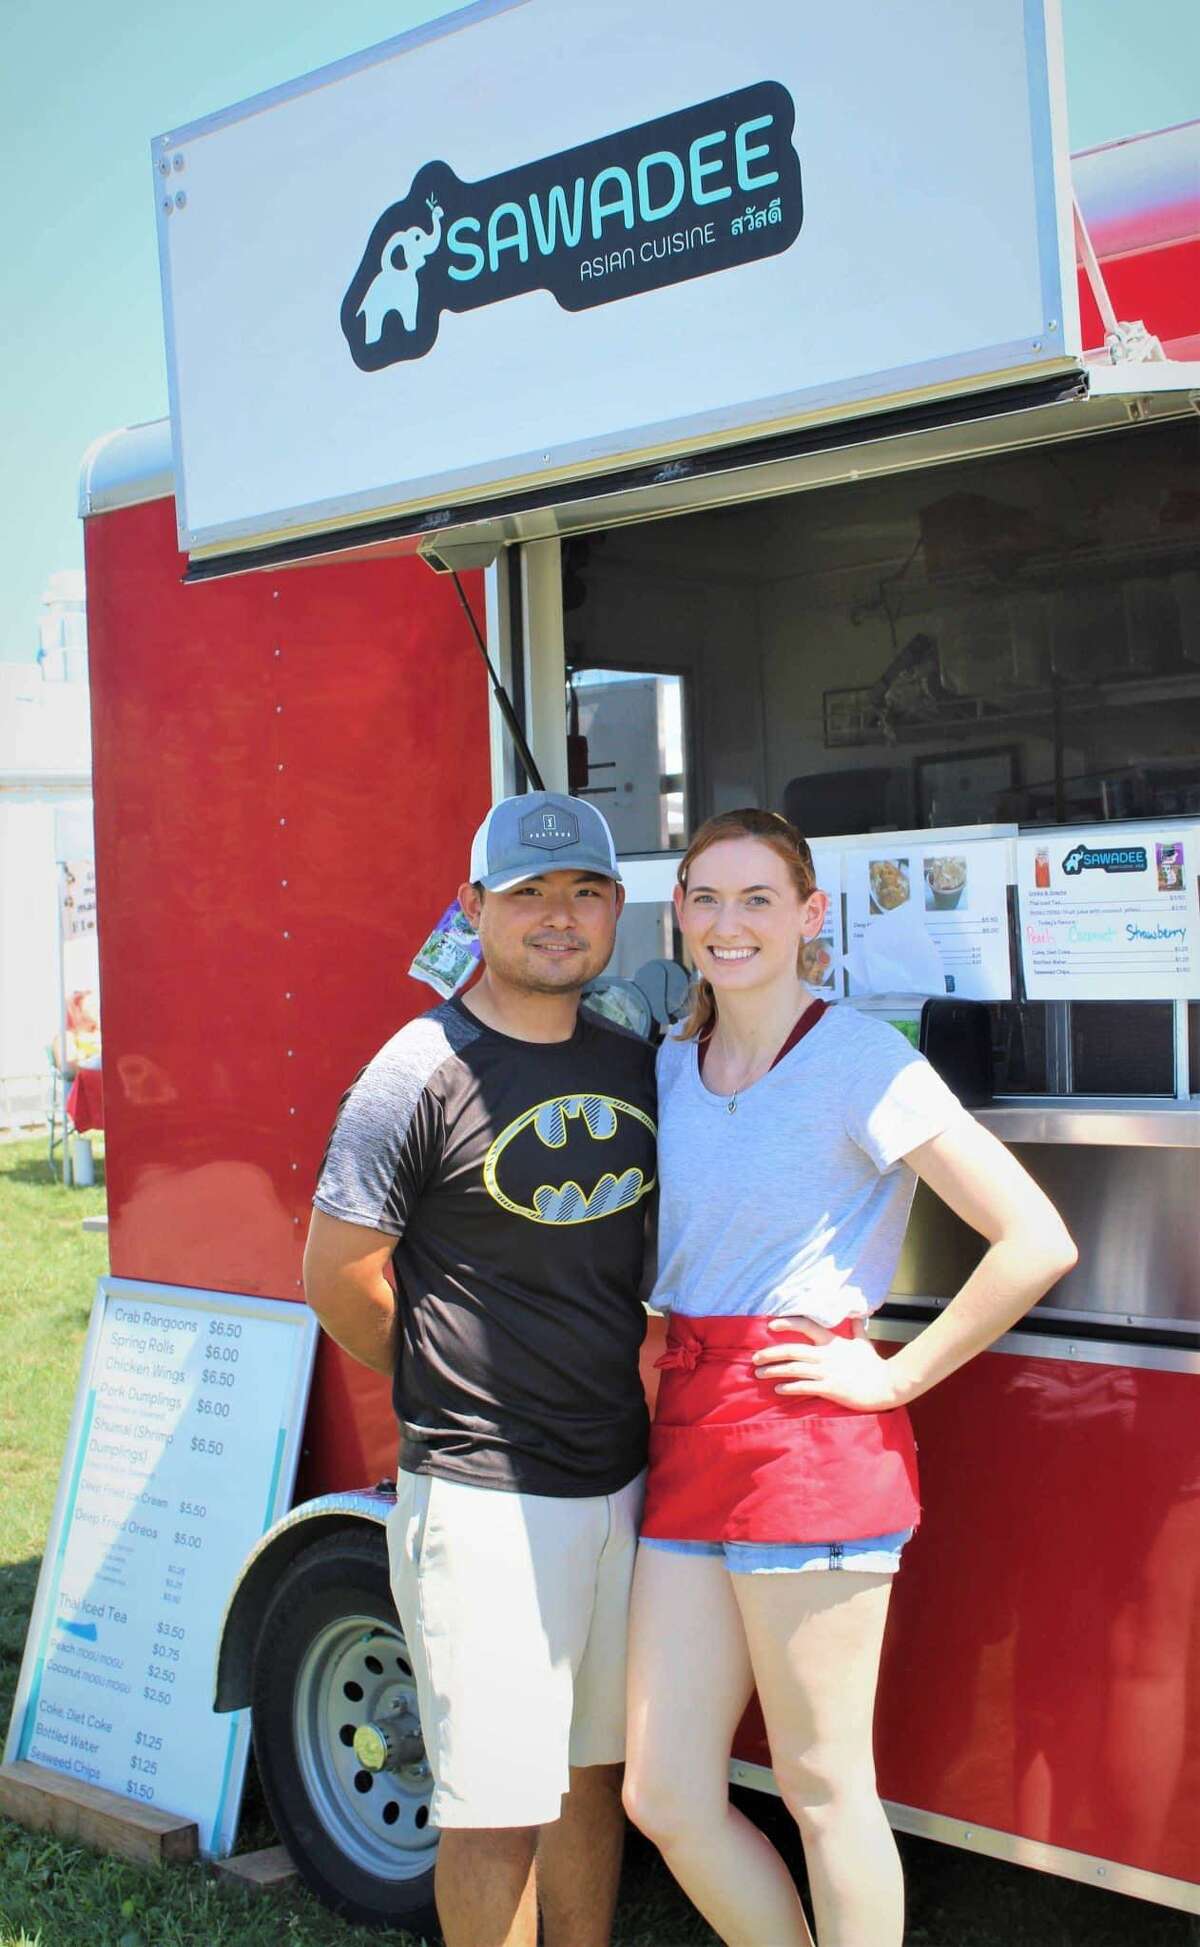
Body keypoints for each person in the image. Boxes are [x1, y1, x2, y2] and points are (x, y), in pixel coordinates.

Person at [622, 808, 1077, 1947]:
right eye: (706, 898)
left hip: (804, 1436)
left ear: (809, 915)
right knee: (664, 1791)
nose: (729, 923)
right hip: (686, 1427)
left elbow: (1035, 1239)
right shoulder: (666, 1067)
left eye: (758, 899)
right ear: (679, 916)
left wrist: (895, 1377)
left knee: (825, 1788)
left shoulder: (863, 1059)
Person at [303, 791, 657, 1947]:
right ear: (473, 907)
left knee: (590, 1777)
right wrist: (447, 1391)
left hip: (621, 1481)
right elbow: (338, 1275)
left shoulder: (634, 1060)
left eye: (585, 892)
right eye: (528, 893)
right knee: (495, 1811)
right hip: (485, 1497)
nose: (559, 916)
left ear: (616, 908)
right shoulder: (416, 1072)